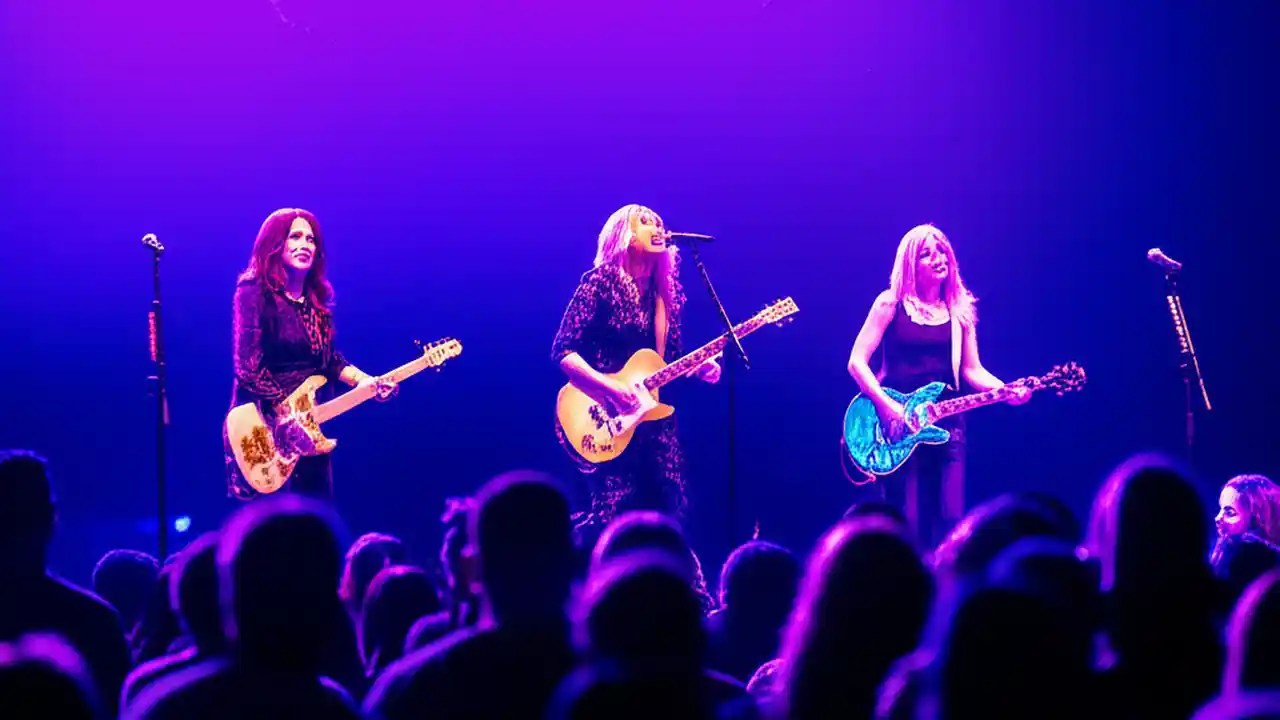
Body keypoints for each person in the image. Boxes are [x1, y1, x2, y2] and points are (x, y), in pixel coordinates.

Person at [846, 224, 1030, 546]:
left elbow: (972, 370)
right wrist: (886, 407)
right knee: (908, 521)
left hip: (948, 425)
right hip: (898, 428)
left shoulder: (960, 312)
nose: (937, 258)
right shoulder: (891, 304)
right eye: (926, 254)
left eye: (942, 250)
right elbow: (857, 362)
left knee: (950, 521)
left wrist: (1005, 390)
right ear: (910, 264)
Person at [551, 204, 720, 530]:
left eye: (659, 222)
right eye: (645, 221)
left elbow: (666, 360)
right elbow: (563, 350)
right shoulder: (600, 284)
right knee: (614, 523)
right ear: (623, 235)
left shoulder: (663, 298)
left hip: (655, 430)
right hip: (607, 418)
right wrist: (610, 387)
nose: (657, 227)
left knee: (666, 517)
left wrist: (697, 367)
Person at [225, 207, 396, 501]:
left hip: (312, 426)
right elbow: (247, 366)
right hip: (264, 428)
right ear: (275, 244)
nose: (305, 245)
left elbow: (329, 361)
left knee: (314, 518)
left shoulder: (317, 305)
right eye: (295, 237)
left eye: (311, 239)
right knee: (269, 529)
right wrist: (288, 411)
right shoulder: (253, 291)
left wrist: (368, 382)